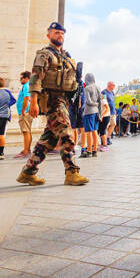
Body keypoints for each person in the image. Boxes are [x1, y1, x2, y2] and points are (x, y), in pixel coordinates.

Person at [16, 22, 88, 186]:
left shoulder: (65, 57)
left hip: (64, 100)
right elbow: (35, 78)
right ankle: (71, 172)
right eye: (56, 33)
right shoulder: (45, 54)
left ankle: (28, 172)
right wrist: (33, 101)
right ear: (48, 35)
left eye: (62, 33)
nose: (59, 35)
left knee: (47, 140)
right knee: (67, 135)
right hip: (52, 100)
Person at [80, 73, 101, 158]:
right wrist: (100, 114)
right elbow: (100, 103)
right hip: (96, 112)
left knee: (88, 132)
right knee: (95, 131)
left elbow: (88, 101)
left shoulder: (87, 88)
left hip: (88, 112)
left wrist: (94, 104)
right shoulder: (98, 87)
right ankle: (95, 150)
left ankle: (89, 150)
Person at [15, 71, 33, 158]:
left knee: (26, 131)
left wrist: (23, 110)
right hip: (26, 111)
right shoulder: (27, 85)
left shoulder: (26, 86)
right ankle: (27, 149)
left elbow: (26, 98)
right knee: (27, 131)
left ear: (26, 78)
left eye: (21, 78)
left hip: (25, 112)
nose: (20, 80)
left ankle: (26, 151)